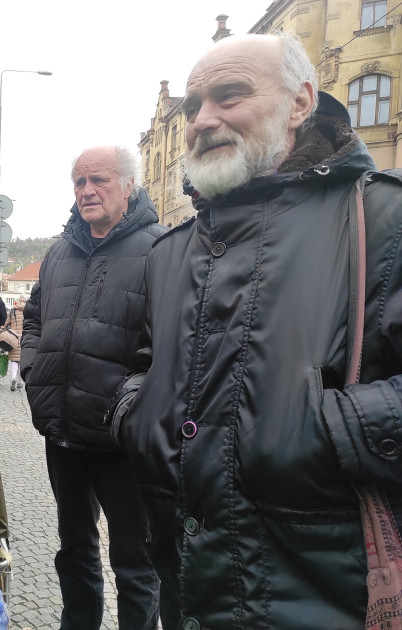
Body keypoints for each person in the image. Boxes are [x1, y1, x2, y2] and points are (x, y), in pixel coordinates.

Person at [113, 33, 402, 629]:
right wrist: (135, 415)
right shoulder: (172, 251)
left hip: (326, 587)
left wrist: (330, 429)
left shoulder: (382, 218)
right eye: (194, 106)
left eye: (230, 95)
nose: (203, 120)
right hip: (190, 585)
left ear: (300, 103)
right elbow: (145, 363)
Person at [20, 145, 164, 630]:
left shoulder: (158, 249)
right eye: (79, 182)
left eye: (98, 180)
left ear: (129, 186)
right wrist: (32, 369)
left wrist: (133, 403)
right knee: (74, 548)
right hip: (62, 429)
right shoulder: (60, 251)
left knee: (135, 559)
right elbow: (34, 318)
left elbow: (166, 340)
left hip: (121, 439)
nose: (86, 191)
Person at [3, 293, 27, 391]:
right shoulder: (28, 311)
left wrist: (4, 327)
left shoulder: (13, 310)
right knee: (22, 360)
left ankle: (13, 377)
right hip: (25, 338)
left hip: (13, 337)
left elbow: (6, 323)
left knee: (14, 359)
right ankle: (20, 381)